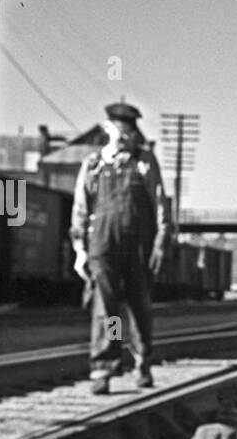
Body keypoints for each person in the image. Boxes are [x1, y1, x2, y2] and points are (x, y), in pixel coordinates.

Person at [70, 102, 170, 395]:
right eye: (119, 129)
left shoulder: (144, 162)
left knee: (139, 305)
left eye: (130, 130)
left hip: (138, 245)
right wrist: (79, 250)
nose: (124, 135)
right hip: (102, 244)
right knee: (107, 307)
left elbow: (161, 204)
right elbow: (80, 210)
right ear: (107, 128)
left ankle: (142, 362)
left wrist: (161, 244)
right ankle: (105, 366)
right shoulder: (92, 165)